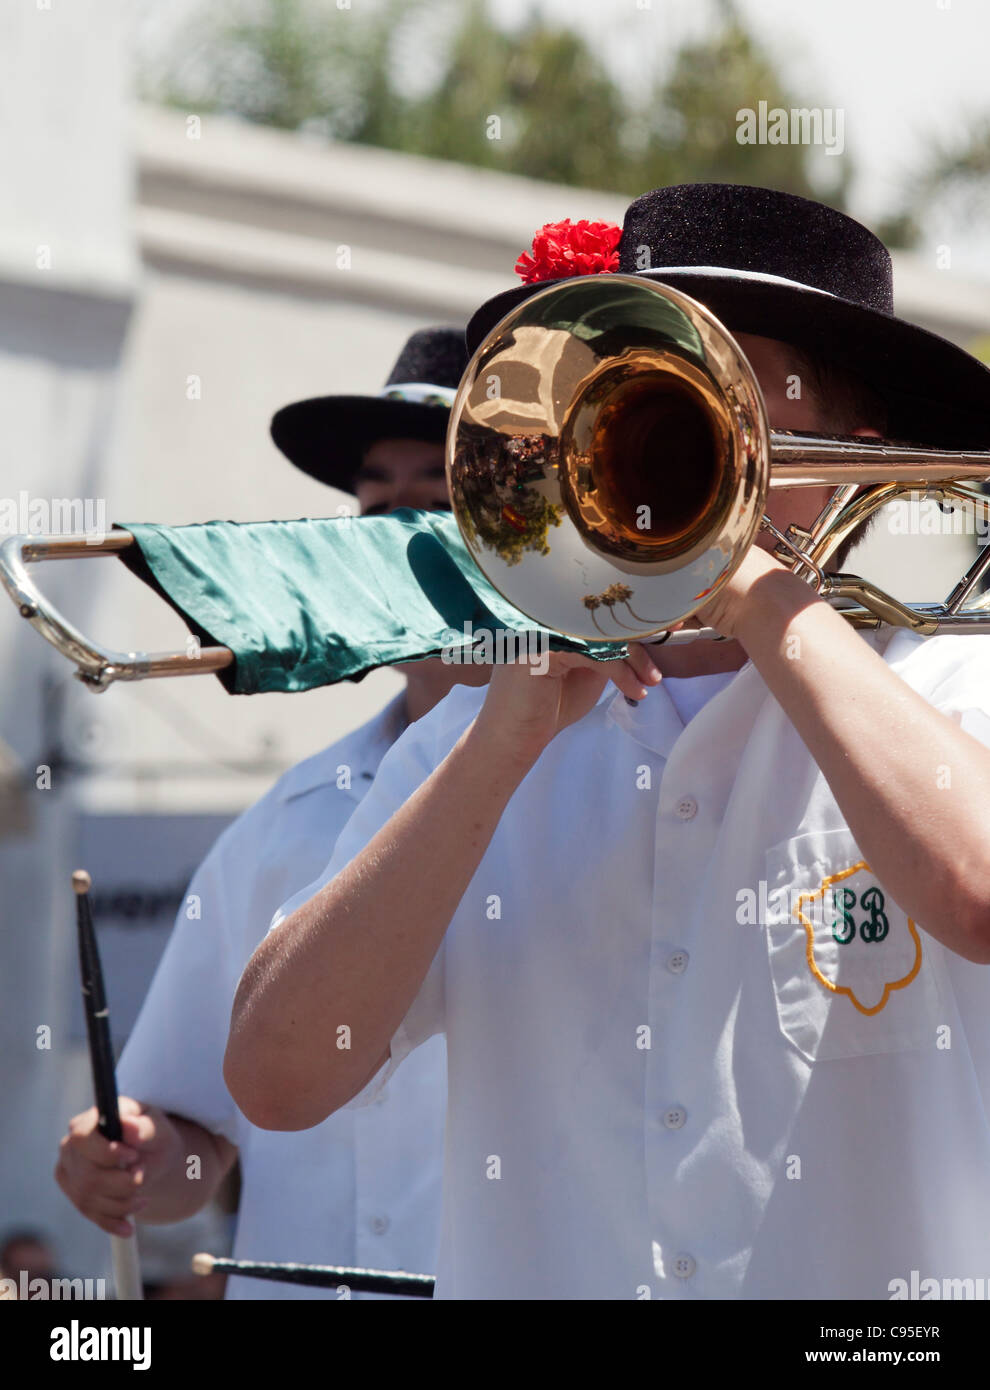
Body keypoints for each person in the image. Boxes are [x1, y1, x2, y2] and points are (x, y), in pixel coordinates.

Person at [225, 186, 990, 1300]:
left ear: (851, 454)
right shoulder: (472, 735)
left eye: (729, 392)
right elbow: (279, 1075)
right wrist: (500, 742)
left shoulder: (951, 689)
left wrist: (763, 597)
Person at [55, 328, 488, 1299]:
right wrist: (125, 1156)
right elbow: (199, 1146)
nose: (388, 511)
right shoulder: (283, 822)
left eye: (438, 482)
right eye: (374, 487)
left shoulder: (620, 786)